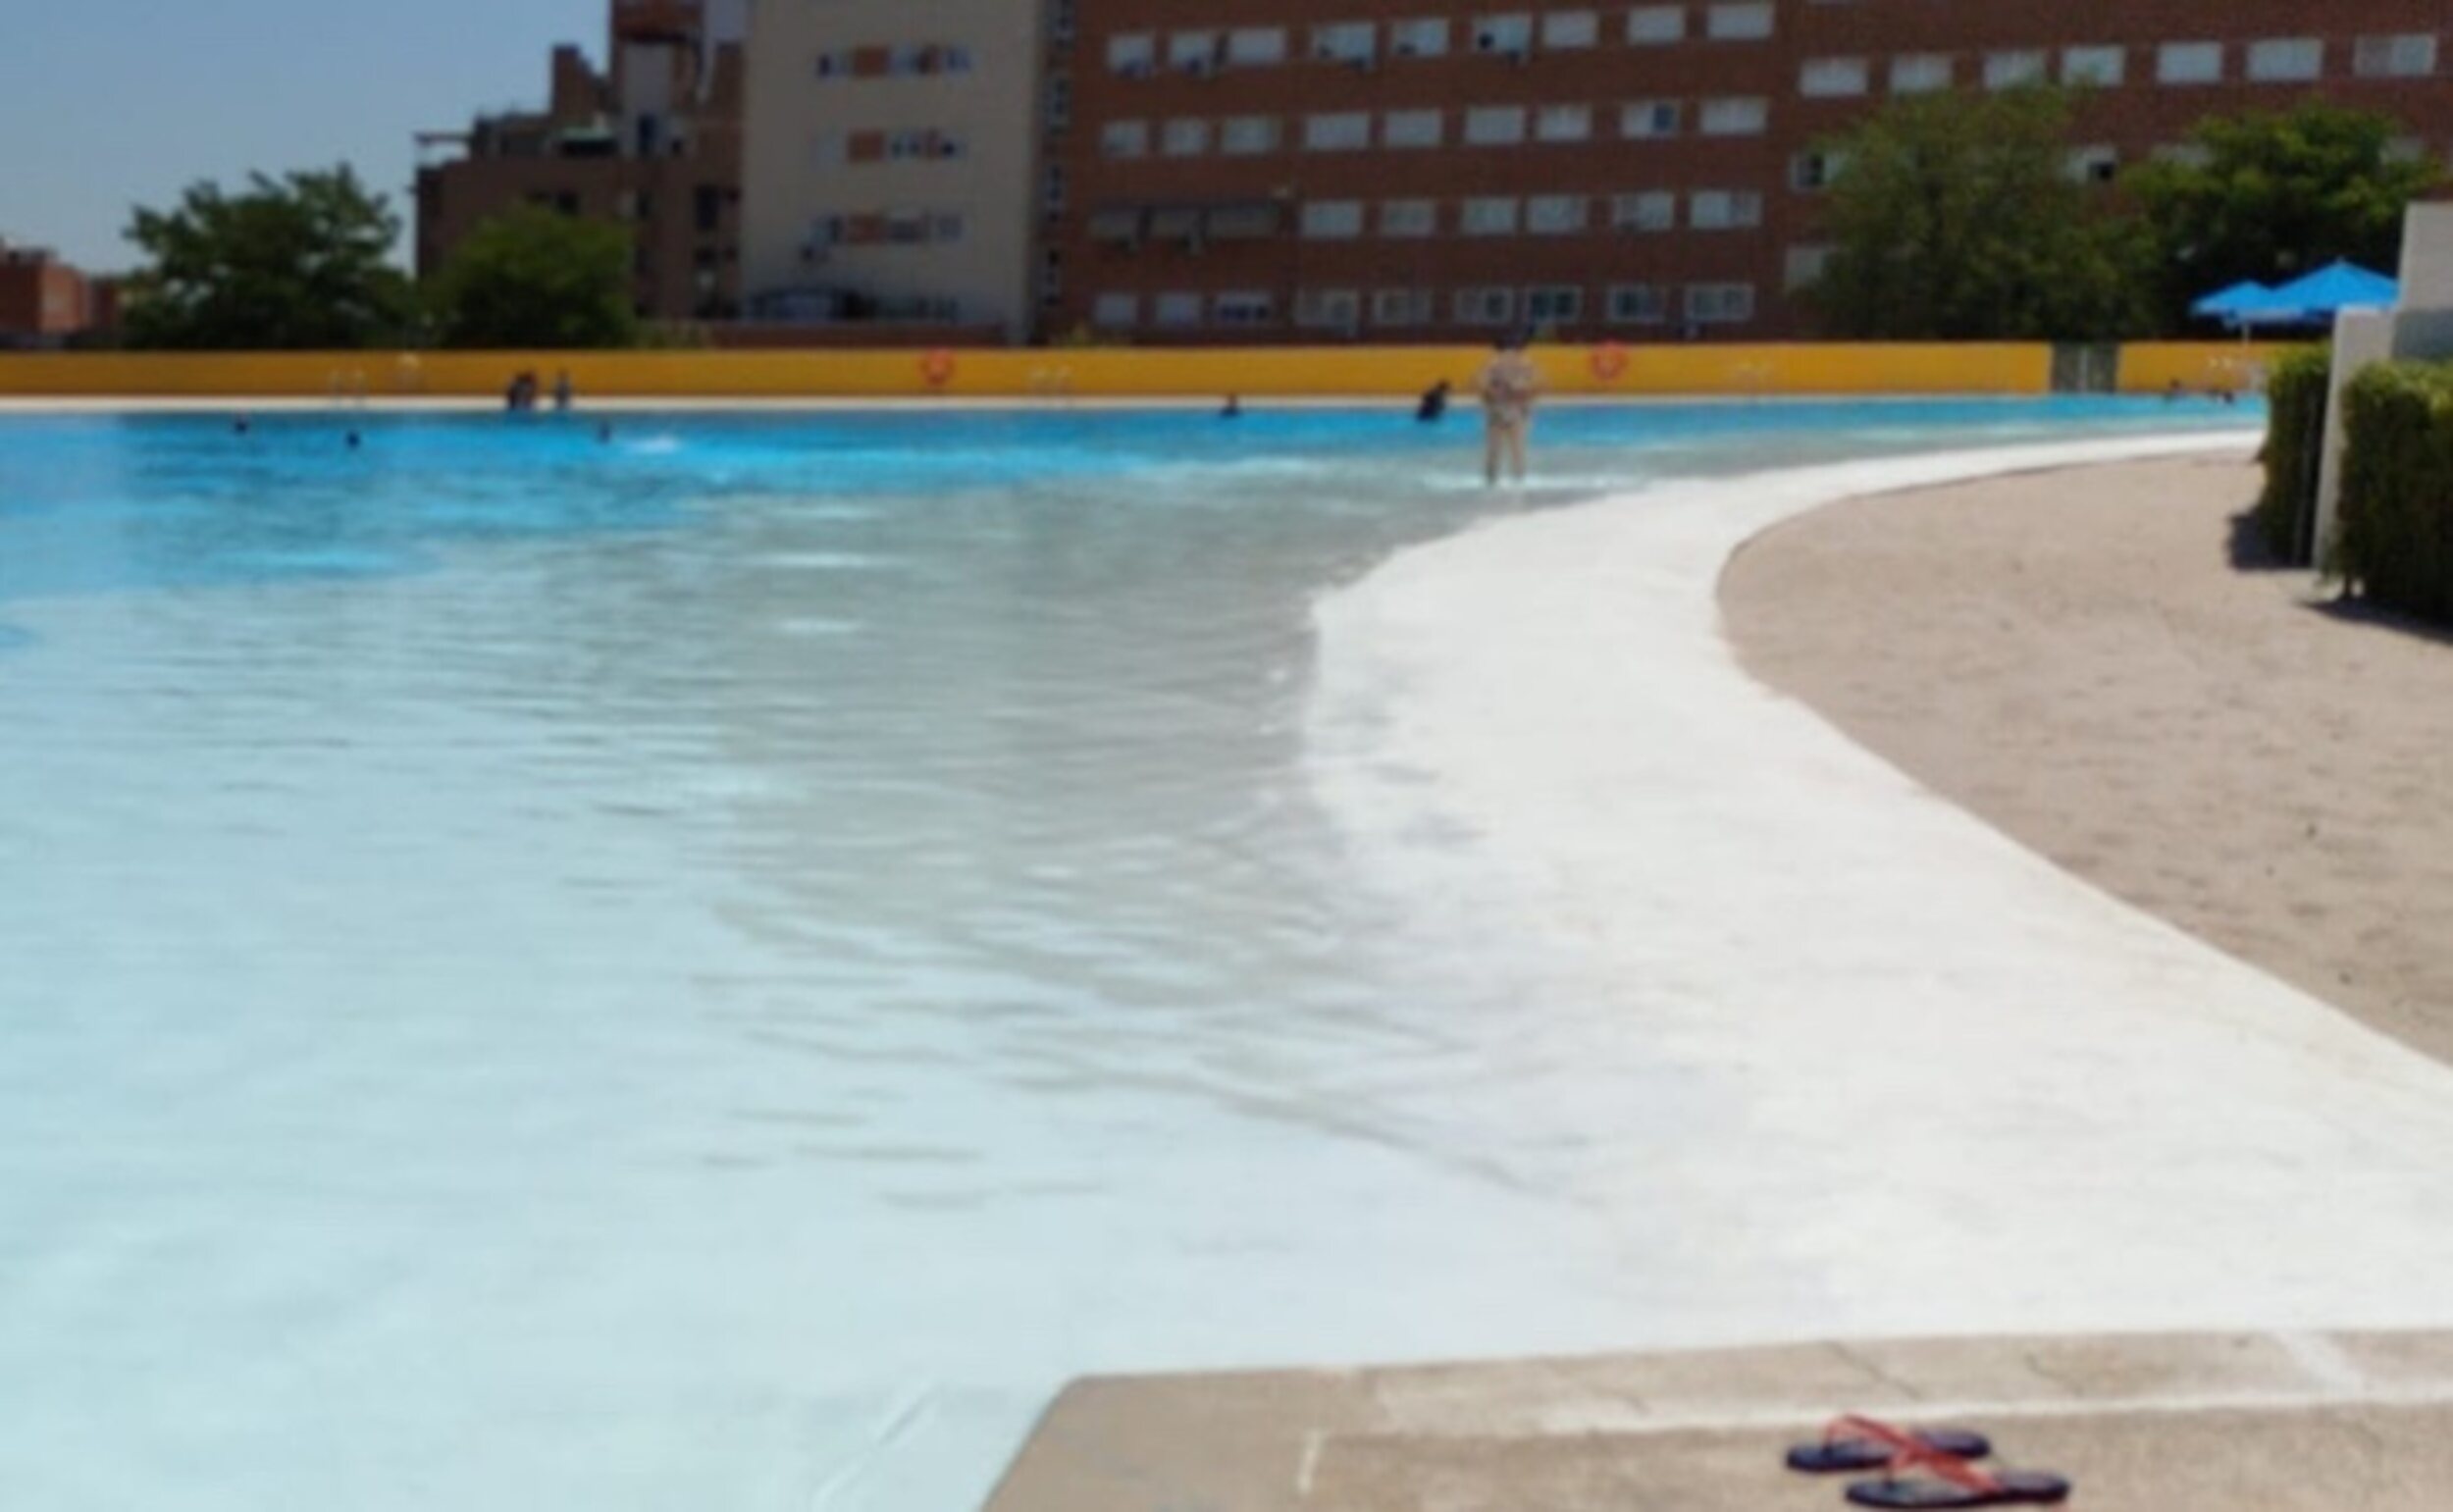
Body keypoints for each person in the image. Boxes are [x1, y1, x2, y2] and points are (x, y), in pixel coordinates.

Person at [1471, 336, 1541, 488]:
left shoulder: (1492, 364)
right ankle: (1519, 480)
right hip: (1517, 411)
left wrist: (1489, 397)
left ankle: (1491, 481)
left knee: (1493, 453)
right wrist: (1525, 398)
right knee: (1518, 453)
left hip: (1496, 411)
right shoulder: (1525, 363)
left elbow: (1476, 382)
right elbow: (1541, 384)